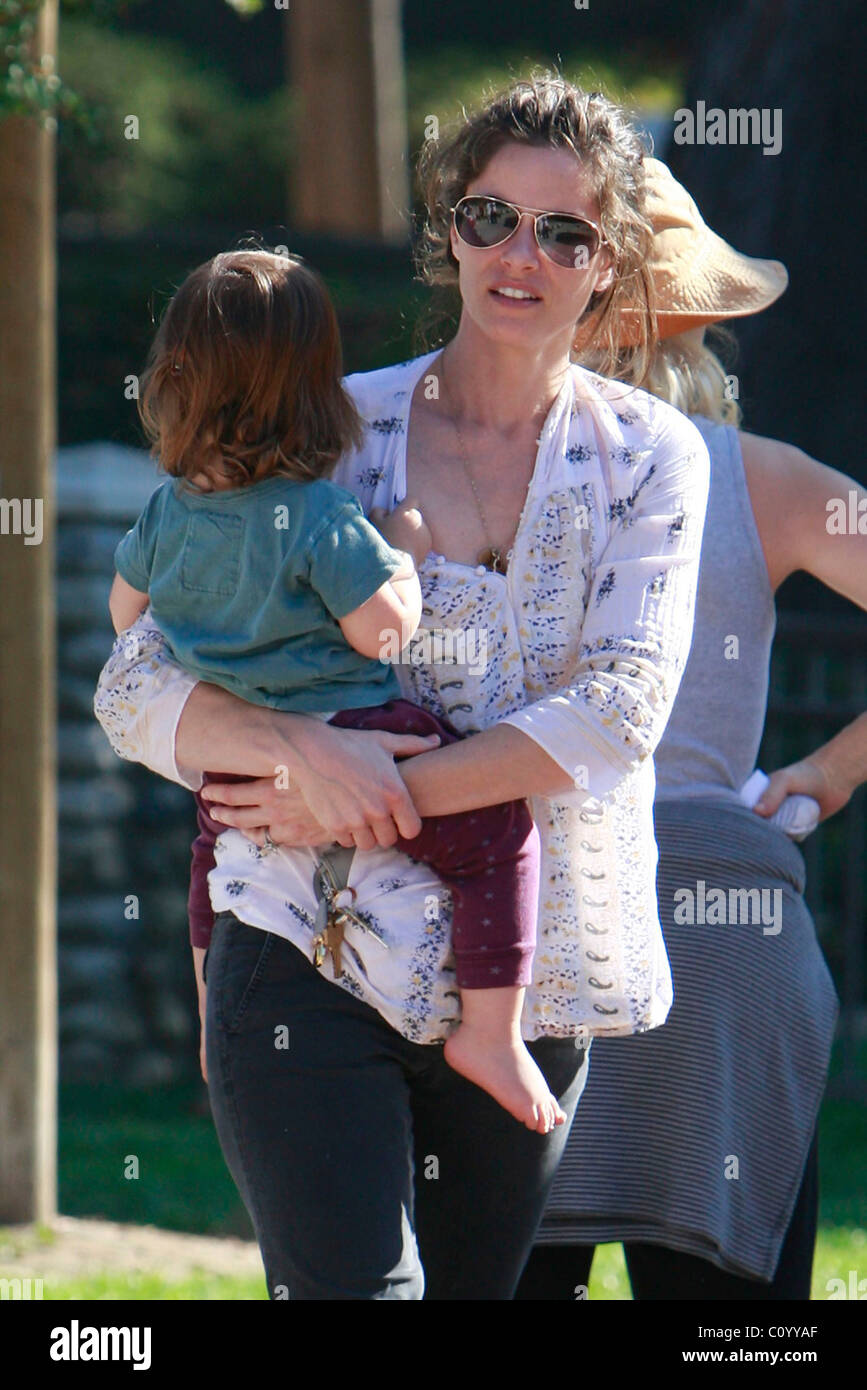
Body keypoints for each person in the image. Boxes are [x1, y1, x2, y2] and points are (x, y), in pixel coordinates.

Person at [93, 79, 709, 1301]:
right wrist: (295, 750)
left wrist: (380, 788)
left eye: (564, 231)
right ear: (450, 233)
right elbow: (136, 677)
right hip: (299, 939)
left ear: (609, 262)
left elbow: (620, 709)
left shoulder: (653, 455)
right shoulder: (329, 425)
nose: (518, 255)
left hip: (533, 981)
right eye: (490, 217)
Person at [515, 158, 867, 1300]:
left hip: (522, 931)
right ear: (702, 323)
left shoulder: (474, 463)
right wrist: (829, 771)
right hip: (722, 940)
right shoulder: (767, 480)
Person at [109, 247, 561, 1132]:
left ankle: (214, 1027)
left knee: (212, 875)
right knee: (500, 834)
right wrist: (405, 547)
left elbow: (128, 615)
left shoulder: (164, 511)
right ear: (314, 390)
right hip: (355, 724)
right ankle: (491, 1031)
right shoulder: (319, 514)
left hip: (234, 768)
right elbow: (383, 629)